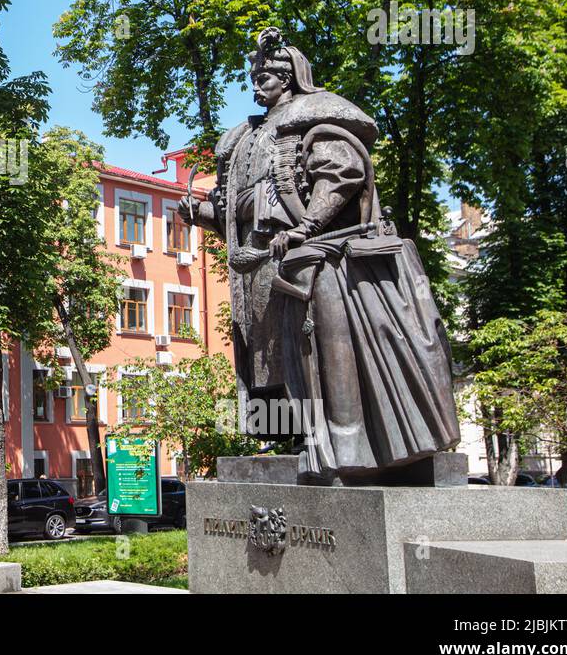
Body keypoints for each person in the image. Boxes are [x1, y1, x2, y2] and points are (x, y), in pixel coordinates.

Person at [181, 27, 460, 483]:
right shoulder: (244, 137)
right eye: (254, 74)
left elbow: (341, 174)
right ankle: (291, 436)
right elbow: (240, 213)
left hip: (314, 260)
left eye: (267, 74)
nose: (257, 82)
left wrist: (306, 227)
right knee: (267, 357)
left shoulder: (314, 114)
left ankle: (344, 441)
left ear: (291, 77)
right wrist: (202, 214)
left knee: (317, 349)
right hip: (260, 263)